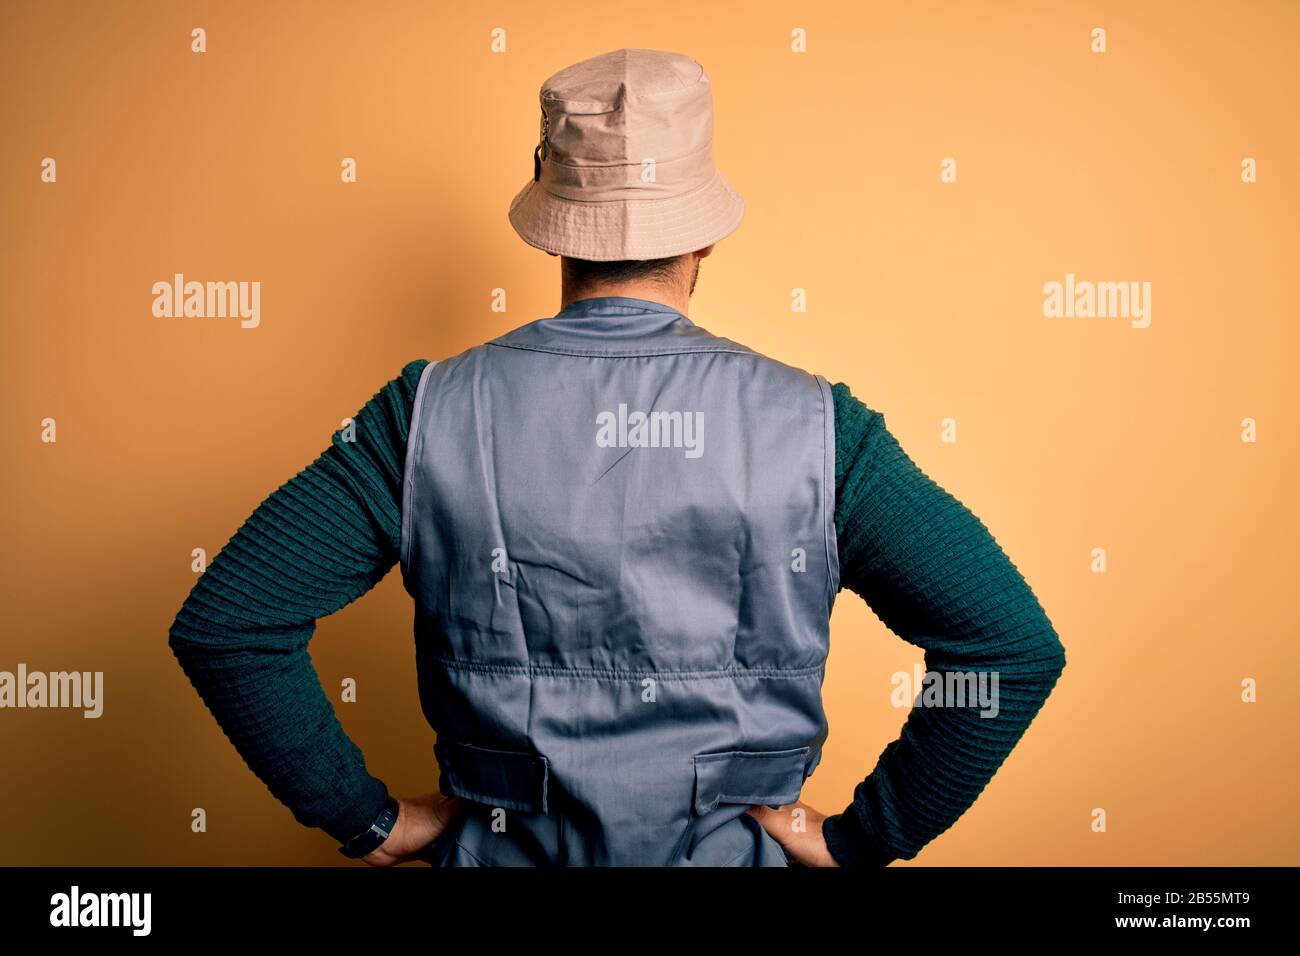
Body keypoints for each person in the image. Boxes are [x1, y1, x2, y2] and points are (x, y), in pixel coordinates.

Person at [168, 47, 1066, 867]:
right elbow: (1008, 648)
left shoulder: (424, 414)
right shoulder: (821, 428)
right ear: (705, 229)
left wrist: (366, 819)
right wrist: (863, 839)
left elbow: (231, 626)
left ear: (553, 227)